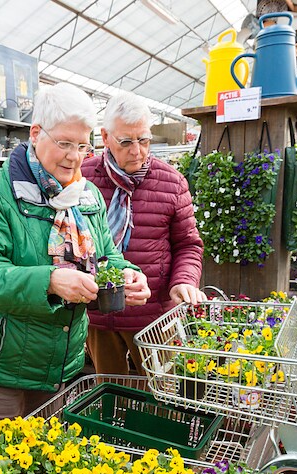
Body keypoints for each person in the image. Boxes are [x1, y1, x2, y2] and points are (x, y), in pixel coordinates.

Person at [0, 83, 151, 424]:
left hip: (62, 359)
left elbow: (105, 257)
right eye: (64, 143)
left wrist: (127, 273)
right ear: (35, 133)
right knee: (0, 463)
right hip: (1, 360)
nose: (74, 156)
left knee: (47, 461)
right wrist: (51, 281)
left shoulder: (85, 196)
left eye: (83, 146)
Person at [81, 92, 204, 376]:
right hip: (99, 313)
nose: (137, 151)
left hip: (152, 318)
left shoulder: (171, 183)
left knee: (161, 393)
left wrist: (183, 281)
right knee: (108, 391)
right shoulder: (82, 178)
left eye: (144, 140)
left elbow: (188, 244)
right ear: (105, 137)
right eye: (126, 141)